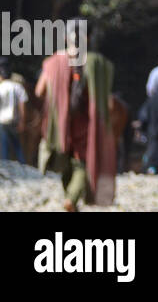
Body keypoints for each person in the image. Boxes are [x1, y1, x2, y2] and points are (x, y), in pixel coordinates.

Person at [34, 35, 117, 211]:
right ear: (87, 38)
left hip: (60, 123)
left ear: (66, 38)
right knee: (81, 163)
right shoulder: (96, 63)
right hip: (85, 123)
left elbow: (39, 91)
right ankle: (71, 199)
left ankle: (70, 198)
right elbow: (106, 101)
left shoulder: (54, 62)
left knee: (65, 161)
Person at [0, 58, 28, 163]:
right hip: (14, 119)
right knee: (17, 146)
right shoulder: (18, 82)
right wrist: (22, 120)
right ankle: (22, 165)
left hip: (2, 120)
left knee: (3, 147)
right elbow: (23, 104)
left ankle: (5, 166)